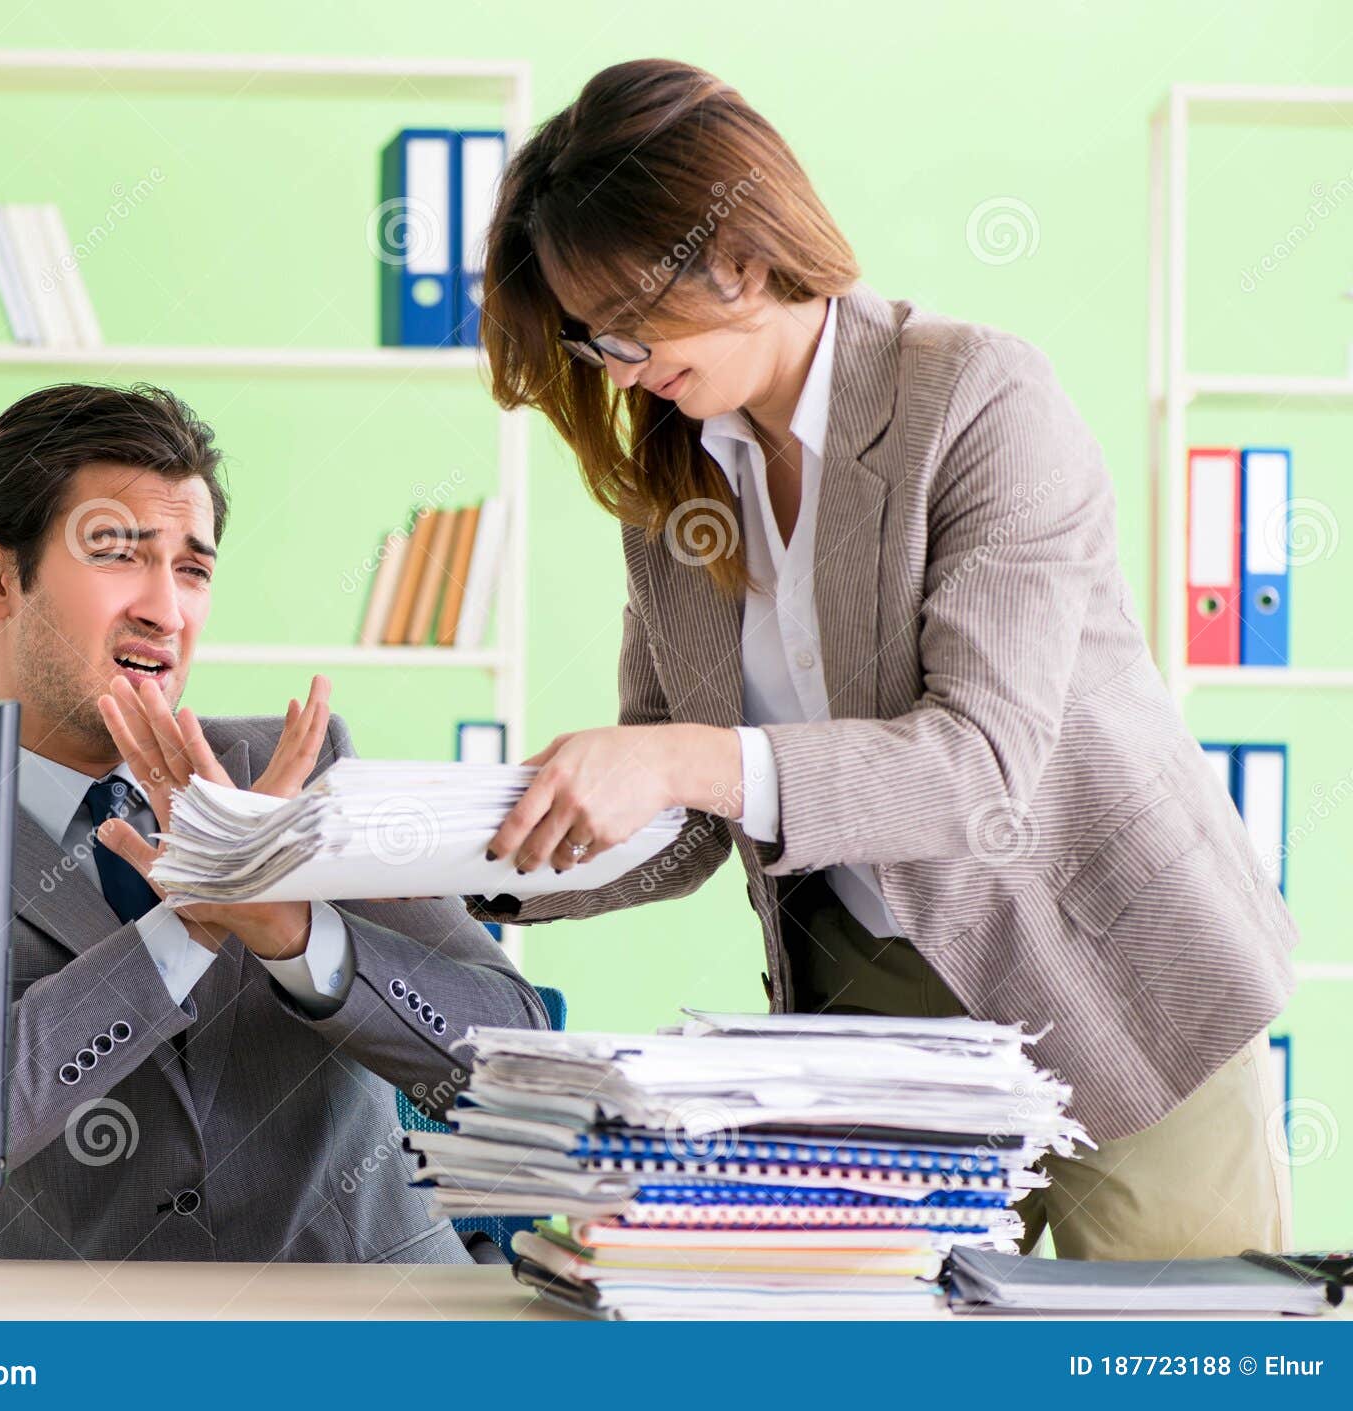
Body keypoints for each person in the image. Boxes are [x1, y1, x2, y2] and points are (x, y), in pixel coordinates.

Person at [467, 58, 1296, 1260]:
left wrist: (682, 759)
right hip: (872, 1017)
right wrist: (436, 860)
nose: (621, 366)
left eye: (630, 324)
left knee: (1167, 1365)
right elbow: (687, 820)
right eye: (595, 341)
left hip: (1119, 971)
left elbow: (976, 764)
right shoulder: (674, 488)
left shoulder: (973, 396)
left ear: (741, 257)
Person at [0, 382, 547, 1264]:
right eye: (116, 553)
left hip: (376, 1332)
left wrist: (295, 930)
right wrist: (187, 924)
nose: (166, 609)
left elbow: (518, 1074)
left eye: (193, 568)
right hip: (77, 1351)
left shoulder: (293, 768)